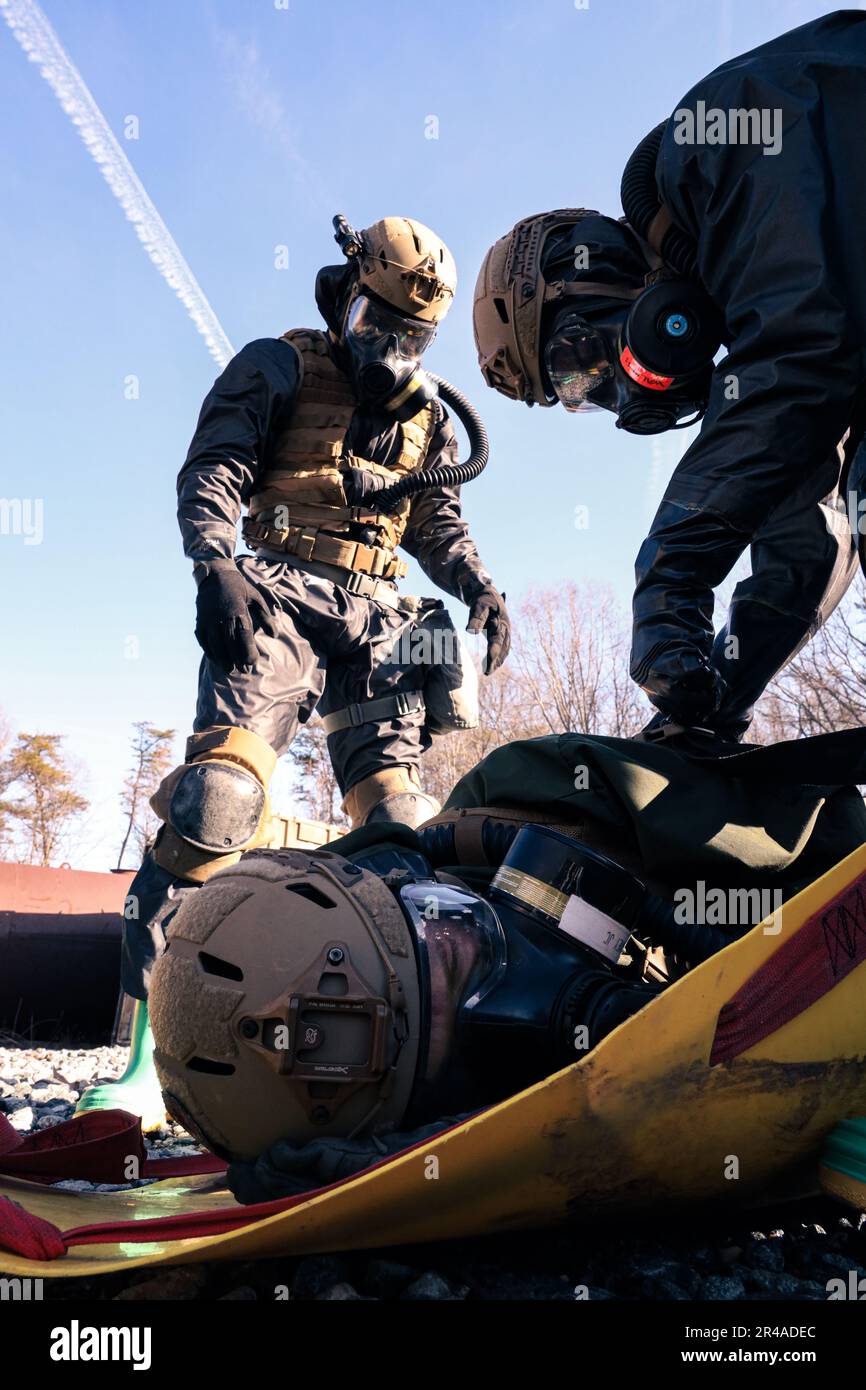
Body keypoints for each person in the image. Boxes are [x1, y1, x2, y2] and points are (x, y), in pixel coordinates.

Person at [77, 214, 510, 1125]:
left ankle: (400, 1057)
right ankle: (149, 1057)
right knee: (215, 806)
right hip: (274, 594)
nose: (388, 350)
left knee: (402, 831)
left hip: (380, 619)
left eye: (409, 337)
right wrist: (213, 561)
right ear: (343, 294)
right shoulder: (281, 364)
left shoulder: (430, 422)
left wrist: (477, 583)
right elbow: (218, 463)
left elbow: (434, 522)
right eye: (374, 325)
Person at [145, 724, 866, 1202]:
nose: (512, 1010)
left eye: (464, 955)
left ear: (414, 881)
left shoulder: (559, 791)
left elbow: (833, 845)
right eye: (463, 1052)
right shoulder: (471, 1139)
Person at [472, 10, 866, 743]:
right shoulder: (769, 308)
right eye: (579, 398)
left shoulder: (711, 140)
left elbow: (806, 350)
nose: (609, 391)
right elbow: (808, 541)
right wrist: (710, 704)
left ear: (590, 271)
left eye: (580, 364)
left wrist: (669, 573)